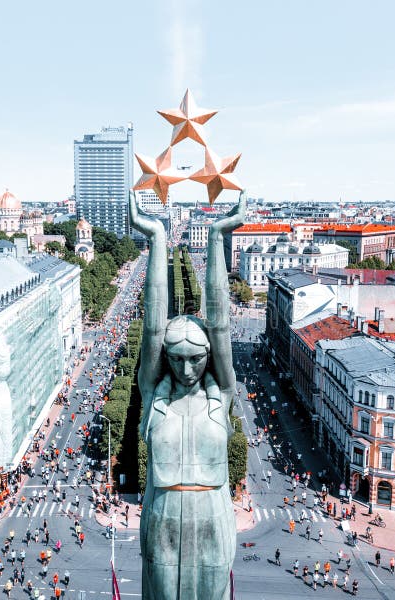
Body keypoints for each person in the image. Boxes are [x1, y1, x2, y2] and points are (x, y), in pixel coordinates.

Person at [132, 194, 245, 600]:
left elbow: (220, 322)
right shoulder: (152, 396)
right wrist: (157, 238)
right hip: (162, 517)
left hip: (213, 516)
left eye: (195, 358)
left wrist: (217, 236)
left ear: (208, 356)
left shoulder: (222, 396)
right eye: (175, 359)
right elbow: (150, 327)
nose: (184, 369)